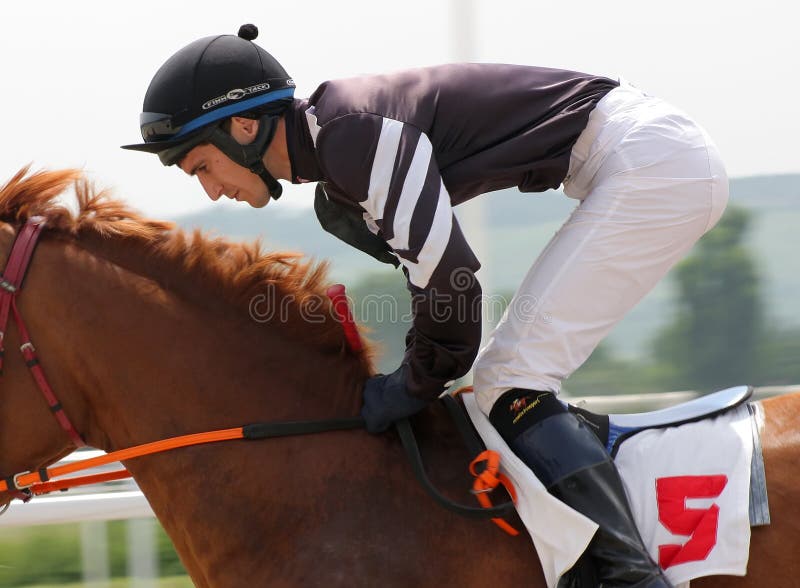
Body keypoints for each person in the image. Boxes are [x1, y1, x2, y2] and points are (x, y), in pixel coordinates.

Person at [123, 24, 728, 588]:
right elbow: (430, 277)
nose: (210, 190)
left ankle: (631, 576)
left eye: (201, 165)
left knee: (510, 379)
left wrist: (415, 382)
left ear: (244, 129)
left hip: (650, 162)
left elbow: (452, 277)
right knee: (502, 380)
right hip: (634, 158)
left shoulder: (349, 134)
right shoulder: (337, 155)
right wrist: (420, 370)